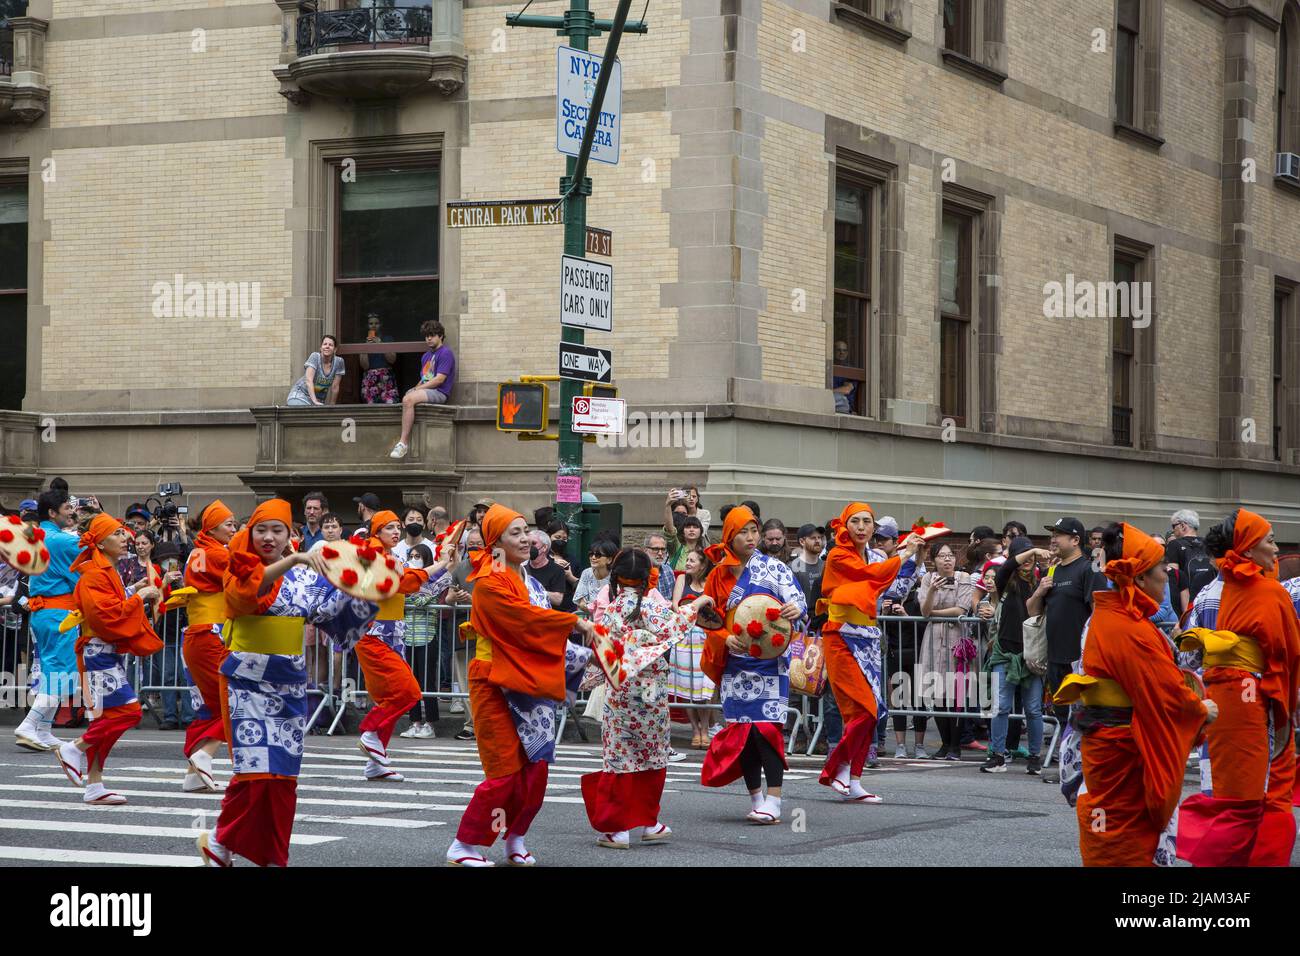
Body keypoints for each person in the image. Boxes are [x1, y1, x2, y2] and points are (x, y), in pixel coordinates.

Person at [197, 499, 378, 867]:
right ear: (250, 533)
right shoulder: (239, 564)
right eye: (261, 529)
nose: (268, 537)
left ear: (288, 534)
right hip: (246, 682)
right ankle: (221, 840)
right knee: (255, 771)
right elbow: (242, 595)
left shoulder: (306, 576)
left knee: (282, 778)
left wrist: (366, 585)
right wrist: (293, 560)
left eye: (277, 531)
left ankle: (272, 856)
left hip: (289, 685)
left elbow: (333, 617)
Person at [1057, 523, 1216, 866]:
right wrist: (1200, 710)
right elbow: (1167, 695)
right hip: (1123, 750)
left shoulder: (1116, 616)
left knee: (1112, 841)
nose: (1168, 575)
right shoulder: (1127, 626)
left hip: (1110, 744)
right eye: (1162, 568)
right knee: (1125, 849)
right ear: (1141, 578)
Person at [445, 504, 595, 867]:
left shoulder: (523, 578)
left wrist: (581, 654)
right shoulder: (490, 582)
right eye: (515, 533)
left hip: (526, 678)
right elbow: (524, 619)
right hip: (494, 678)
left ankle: (515, 837)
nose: (525, 537)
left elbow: (534, 625)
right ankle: (465, 844)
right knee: (505, 771)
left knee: (535, 769)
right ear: (496, 542)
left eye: (525, 530)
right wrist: (573, 623)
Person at [1176, 509, 1300, 867]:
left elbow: (1186, 661)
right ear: (1246, 549)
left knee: (1229, 798)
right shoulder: (1270, 592)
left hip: (1219, 699)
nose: (1277, 549)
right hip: (1252, 702)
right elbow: (1289, 654)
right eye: (1271, 540)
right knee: (1254, 801)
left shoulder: (1208, 594)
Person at [581, 549, 713, 848]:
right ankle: (650, 822)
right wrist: (701, 602)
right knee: (652, 752)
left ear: (616, 576)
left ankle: (618, 828)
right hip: (651, 688)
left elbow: (604, 650)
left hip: (622, 687)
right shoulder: (650, 605)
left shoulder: (613, 608)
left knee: (621, 754)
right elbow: (677, 623)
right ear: (646, 578)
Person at [698, 505, 807, 824]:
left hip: (770, 663)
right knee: (743, 732)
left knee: (766, 730)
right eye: (742, 531)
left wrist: (794, 610)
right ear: (730, 537)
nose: (749, 537)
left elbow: (798, 601)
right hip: (735, 665)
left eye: (753, 531)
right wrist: (722, 637)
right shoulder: (717, 574)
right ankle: (756, 798)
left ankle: (774, 799)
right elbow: (706, 615)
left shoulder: (774, 568)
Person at [814, 502, 922, 798]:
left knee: (870, 714)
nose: (861, 527)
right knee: (864, 709)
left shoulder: (875, 556)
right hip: (841, 637)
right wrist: (903, 554)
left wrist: (914, 558)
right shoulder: (838, 555)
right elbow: (871, 578)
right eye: (856, 521)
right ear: (845, 526)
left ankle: (854, 778)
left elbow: (893, 588)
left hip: (869, 638)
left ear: (874, 528)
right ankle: (838, 770)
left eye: (867, 522)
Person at [55, 514, 163, 805]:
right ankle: (74, 747)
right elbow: (105, 616)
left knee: (106, 720)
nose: (126, 537)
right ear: (101, 543)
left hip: (104, 654)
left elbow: (111, 605)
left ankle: (94, 785)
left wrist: (134, 590)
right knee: (130, 713)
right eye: (117, 534)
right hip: (98, 655)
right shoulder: (94, 573)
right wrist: (139, 598)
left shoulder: (106, 570)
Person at [354, 510, 450, 779]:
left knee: (390, 698)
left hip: (390, 635)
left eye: (398, 527)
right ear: (376, 533)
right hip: (374, 636)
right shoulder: (373, 556)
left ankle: (375, 764)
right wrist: (441, 565)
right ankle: (370, 733)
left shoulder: (389, 556)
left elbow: (413, 583)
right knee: (408, 693)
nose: (396, 531)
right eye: (389, 528)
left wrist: (444, 565)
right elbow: (406, 583)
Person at [14, 490, 81, 752]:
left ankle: (43, 730)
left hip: (42, 613)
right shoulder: (62, 541)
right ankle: (30, 725)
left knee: (54, 671)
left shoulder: (35, 536)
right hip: (60, 613)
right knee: (61, 673)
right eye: (67, 507)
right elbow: (81, 575)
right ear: (52, 512)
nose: (71, 511)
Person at [178, 500, 237, 792]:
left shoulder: (196, 553)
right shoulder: (217, 553)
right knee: (234, 704)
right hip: (212, 635)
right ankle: (204, 755)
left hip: (195, 636)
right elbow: (243, 581)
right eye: (228, 523)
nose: (233, 527)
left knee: (211, 707)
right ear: (212, 528)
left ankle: (193, 772)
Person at [1034, 516, 1101, 761]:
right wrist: (1040, 590)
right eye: (1053, 533)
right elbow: (1033, 610)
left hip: (1078, 657)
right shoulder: (1052, 570)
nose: (1053, 538)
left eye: (1059, 534)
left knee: (1081, 713)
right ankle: (1068, 760)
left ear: (1075, 540)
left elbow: (1097, 611)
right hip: (1055, 655)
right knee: (1062, 714)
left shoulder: (1087, 568)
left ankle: (1083, 761)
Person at [981, 538, 1047, 774]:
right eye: (1024, 556)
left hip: (1032, 655)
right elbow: (1008, 565)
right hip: (1004, 653)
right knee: (1000, 706)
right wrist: (1032, 550)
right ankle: (998, 755)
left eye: (1032, 557)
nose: (1028, 560)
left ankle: (1034, 758)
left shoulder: (1041, 582)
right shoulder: (1004, 581)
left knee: (1033, 709)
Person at [918, 543, 977, 760]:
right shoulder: (927, 579)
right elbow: (923, 611)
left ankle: (955, 745)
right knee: (937, 692)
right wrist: (933, 590)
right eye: (942, 556)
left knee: (955, 693)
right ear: (934, 560)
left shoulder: (964, 577)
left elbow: (961, 609)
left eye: (950, 555)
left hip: (956, 639)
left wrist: (933, 612)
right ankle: (944, 743)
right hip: (933, 639)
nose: (947, 560)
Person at [400, 543, 447, 740]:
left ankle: (430, 723)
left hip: (427, 637)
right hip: (408, 637)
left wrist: (411, 594)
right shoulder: (404, 580)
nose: (415, 557)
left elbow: (421, 598)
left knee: (427, 681)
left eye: (418, 555)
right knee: (411, 683)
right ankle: (415, 722)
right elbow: (400, 599)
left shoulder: (435, 580)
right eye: (412, 555)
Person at [390, 319, 456, 459]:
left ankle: (403, 443)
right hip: (428, 390)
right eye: (426, 336)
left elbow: (439, 379)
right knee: (407, 395)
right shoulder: (426, 356)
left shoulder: (445, 353)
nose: (429, 338)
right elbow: (425, 377)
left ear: (441, 336)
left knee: (408, 398)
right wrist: (415, 388)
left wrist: (417, 389)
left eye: (432, 335)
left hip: (440, 392)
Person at [670, 548, 716, 747]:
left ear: (703, 564)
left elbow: (717, 610)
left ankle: (705, 729)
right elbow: (676, 606)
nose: (687, 563)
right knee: (686, 687)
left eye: (692, 560)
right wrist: (700, 602)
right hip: (684, 637)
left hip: (705, 638)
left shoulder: (710, 583)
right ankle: (695, 730)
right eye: (687, 559)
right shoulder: (682, 580)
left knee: (704, 688)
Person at [1165, 508, 1215, 618]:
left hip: (1188, 604)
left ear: (1183, 525)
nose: (1173, 530)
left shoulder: (1174, 545)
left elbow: (1173, 577)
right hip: (1210, 600)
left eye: (1174, 526)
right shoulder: (1208, 543)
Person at [286, 334, 345, 406]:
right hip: (300, 396)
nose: (327, 346)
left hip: (318, 400)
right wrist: (314, 401)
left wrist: (332, 404)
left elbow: (335, 386)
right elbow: (309, 381)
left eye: (330, 345)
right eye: (325, 344)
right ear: (321, 348)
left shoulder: (339, 362)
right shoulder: (315, 357)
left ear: (335, 349)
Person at [358, 312, 398, 404]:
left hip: (386, 376)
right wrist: (366, 348)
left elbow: (392, 360)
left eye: (376, 323)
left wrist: (380, 343)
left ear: (381, 325)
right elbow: (364, 366)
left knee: (390, 403)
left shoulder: (388, 339)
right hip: (370, 377)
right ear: (367, 325)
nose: (373, 326)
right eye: (371, 323)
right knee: (371, 406)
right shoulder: (363, 341)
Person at [574, 538, 617, 616]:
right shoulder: (586, 573)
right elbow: (581, 603)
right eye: (591, 554)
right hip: (589, 617)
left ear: (609, 560)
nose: (593, 558)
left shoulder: (616, 576)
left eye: (598, 555)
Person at [644, 532, 676, 601]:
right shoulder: (639, 572)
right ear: (645, 550)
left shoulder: (668, 570)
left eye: (663, 549)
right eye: (655, 549)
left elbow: (673, 599)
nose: (660, 553)